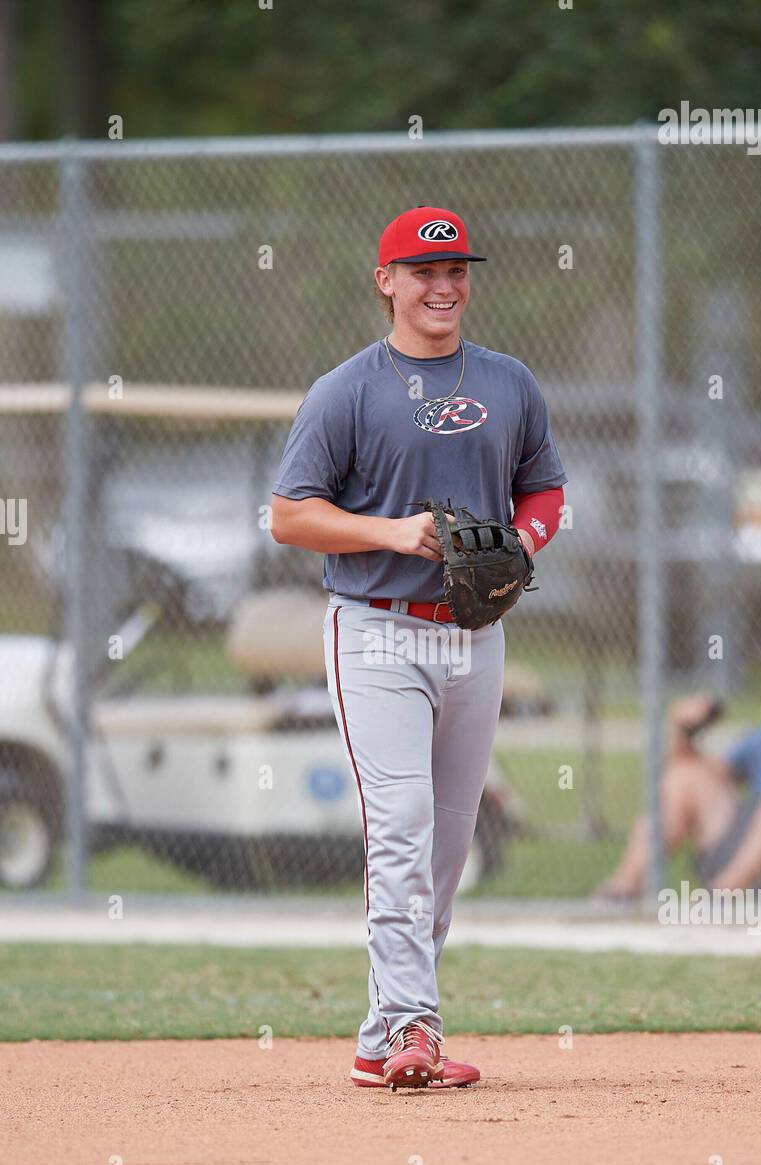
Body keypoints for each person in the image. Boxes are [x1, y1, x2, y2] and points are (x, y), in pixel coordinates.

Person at [271, 205, 566, 1087]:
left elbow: (545, 488)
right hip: (375, 632)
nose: (443, 287)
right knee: (399, 828)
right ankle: (414, 1026)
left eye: (455, 271)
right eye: (423, 272)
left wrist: (524, 544)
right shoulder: (347, 390)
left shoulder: (510, 382)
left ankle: (379, 1037)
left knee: (447, 846)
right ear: (386, 282)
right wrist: (393, 535)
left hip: (475, 638)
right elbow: (290, 515)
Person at [598, 639, 761, 902]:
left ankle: (726, 893)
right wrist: (682, 733)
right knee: (685, 778)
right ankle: (620, 891)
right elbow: (695, 773)